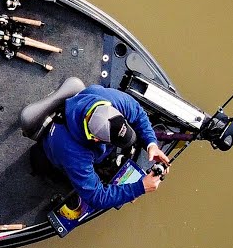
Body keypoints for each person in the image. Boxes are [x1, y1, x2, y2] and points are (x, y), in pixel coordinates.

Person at [37, 84, 170, 209]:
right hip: (62, 156)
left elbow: (138, 113)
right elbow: (96, 197)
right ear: (96, 139)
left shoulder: (112, 100)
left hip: (93, 149)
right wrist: (140, 188)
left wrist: (151, 144)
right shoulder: (73, 153)